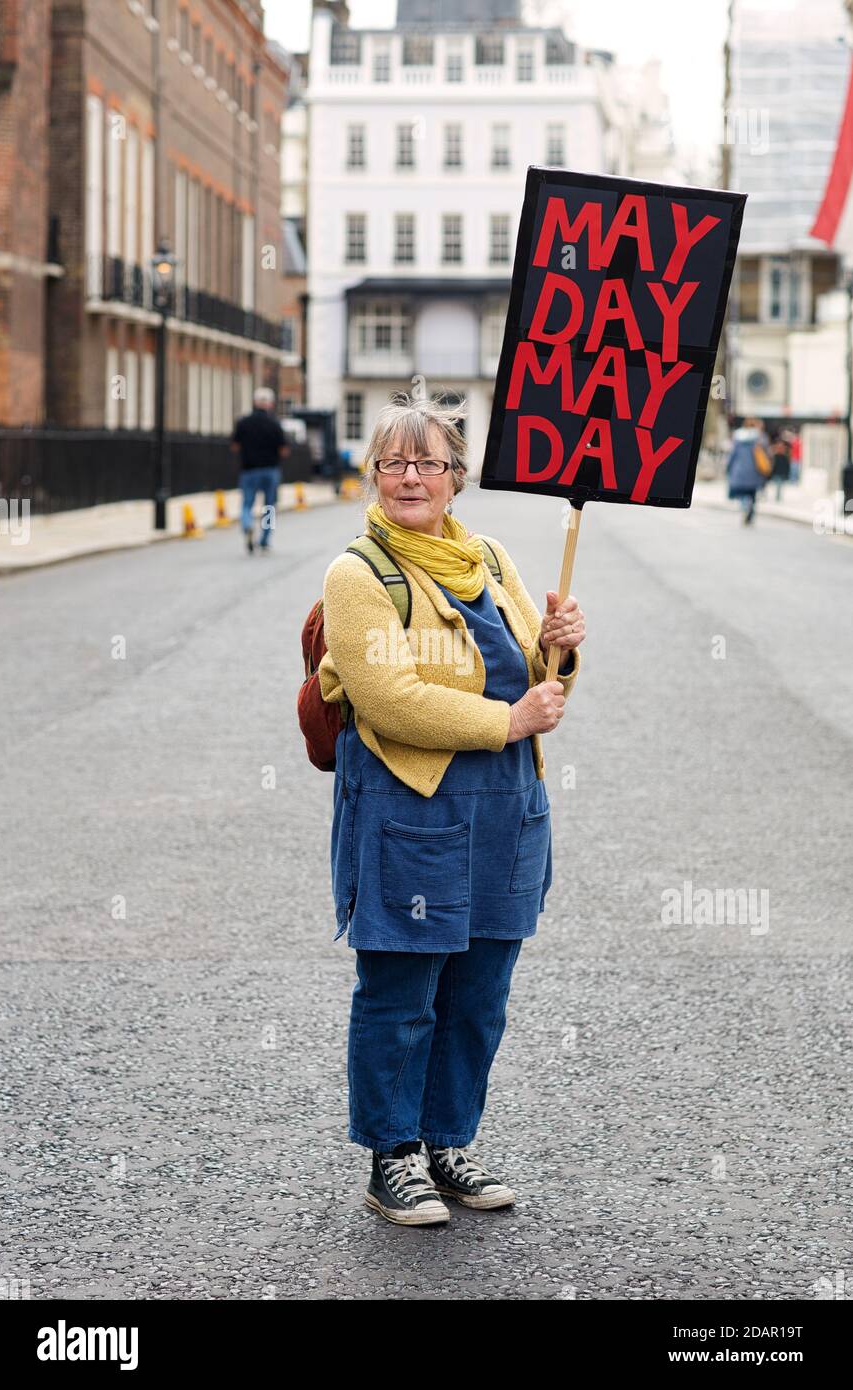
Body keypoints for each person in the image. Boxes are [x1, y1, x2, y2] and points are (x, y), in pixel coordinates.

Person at [316, 392, 585, 1226]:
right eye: (393, 462)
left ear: (456, 477)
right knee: (402, 992)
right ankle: (391, 1155)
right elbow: (391, 701)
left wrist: (563, 646)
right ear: (374, 475)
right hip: (411, 809)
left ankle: (448, 1142)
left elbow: (539, 676)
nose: (409, 477)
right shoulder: (356, 574)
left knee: (480, 993)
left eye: (427, 462)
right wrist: (508, 721)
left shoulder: (491, 558)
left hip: (507, 809)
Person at [230, 387, 290, 554]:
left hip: (249, 470)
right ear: (270, 404)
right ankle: (264, 540)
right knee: (269, 507)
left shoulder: (243, 422)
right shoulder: (275, 424)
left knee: (247, 503)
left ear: (254, 402)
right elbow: (284, 450)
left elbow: (235, 446)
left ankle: (247, 525)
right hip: (270, 470)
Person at [726, 416, 769, 525]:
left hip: (739, 470)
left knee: (742, 493)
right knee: (752, 494)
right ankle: (750, 508)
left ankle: (744, 505)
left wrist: (728, 467)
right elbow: (766, 454)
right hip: (755, 471)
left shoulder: (737, 437)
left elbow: (732, 455)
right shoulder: (760, 438)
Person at [769, 429, 792, 504]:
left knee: (779, 486)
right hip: (778, 473)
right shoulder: (776, 456)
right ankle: (777, 497)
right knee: (778, 486)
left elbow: (786, 466)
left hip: (780, 473)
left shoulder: (783, 457)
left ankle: (778, 498)